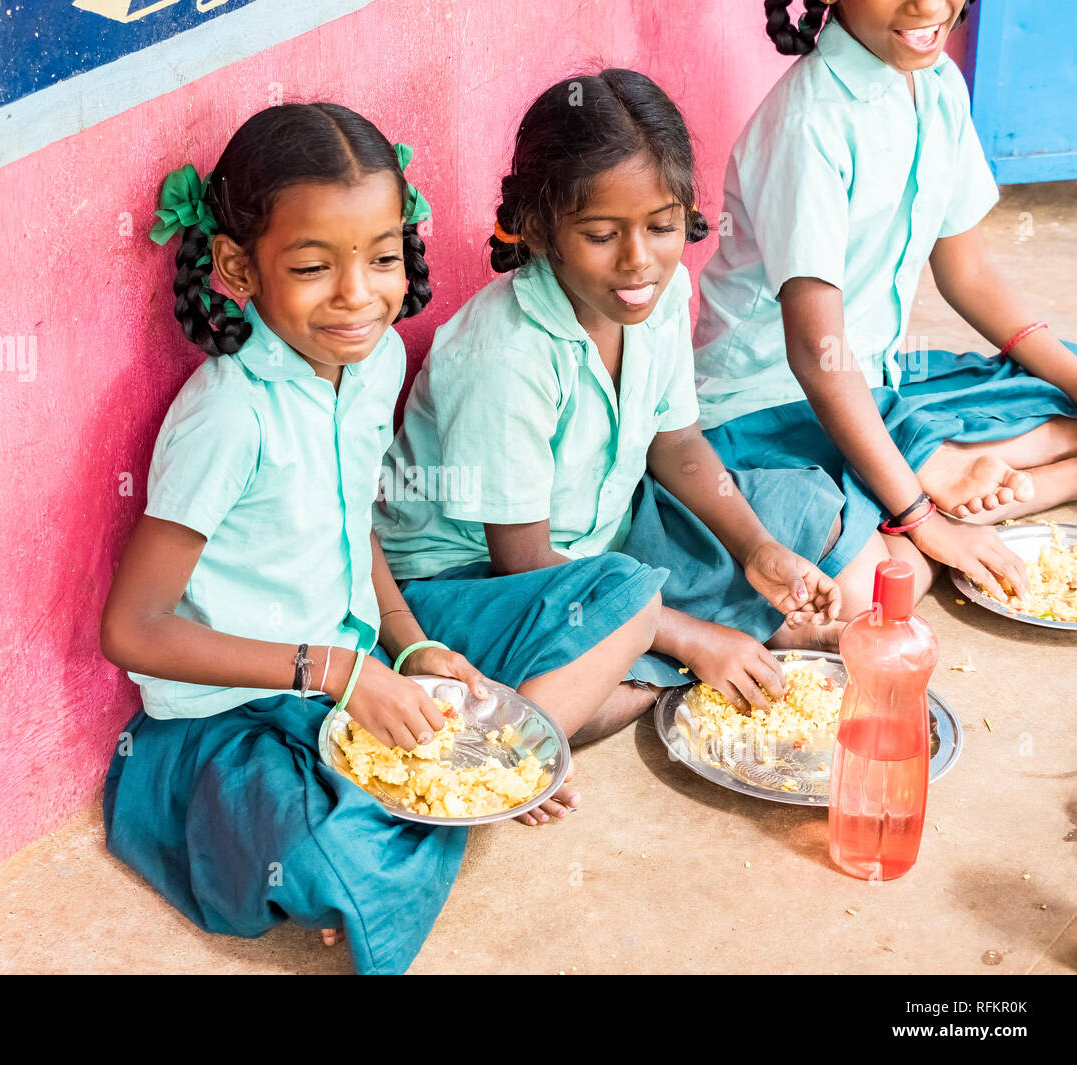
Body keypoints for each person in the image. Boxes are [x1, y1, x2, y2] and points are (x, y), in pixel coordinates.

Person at [98, 103, 663, 975]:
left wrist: (413, 645)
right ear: (238, 268)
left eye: (383, 258)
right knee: (328, 847)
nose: (358, 296)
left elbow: (349, 525)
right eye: (315, 266)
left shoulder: (375, 364)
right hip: (231, 717)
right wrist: (334, 673)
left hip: (360, 658)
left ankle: (457, 771)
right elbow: (133, 629)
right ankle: (448, 785)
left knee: (626, 592)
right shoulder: (228, 415)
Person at [374, 70, 843, 754]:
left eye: (661, 225)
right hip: (471, 584)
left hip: (603, 541)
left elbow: (677, 445)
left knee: (801, 505)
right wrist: (689, 633)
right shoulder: (505, 352)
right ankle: (653, 656)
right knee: (613, 650)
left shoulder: (660, 290)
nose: (638, 261)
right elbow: (525, 561)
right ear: (537, 228)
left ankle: (655, 647)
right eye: (601, 234)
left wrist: (756, 549)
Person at [696, 0, 1076, 608]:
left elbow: (969, 273)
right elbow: (817, 356)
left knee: (1055, 380)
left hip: (873, 383)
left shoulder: (939, 85)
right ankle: (930, 467)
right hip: (767, 406)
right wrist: (922, 519)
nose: (927, 5)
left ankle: (930, 463)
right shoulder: (810, 122)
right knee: (872, 594)